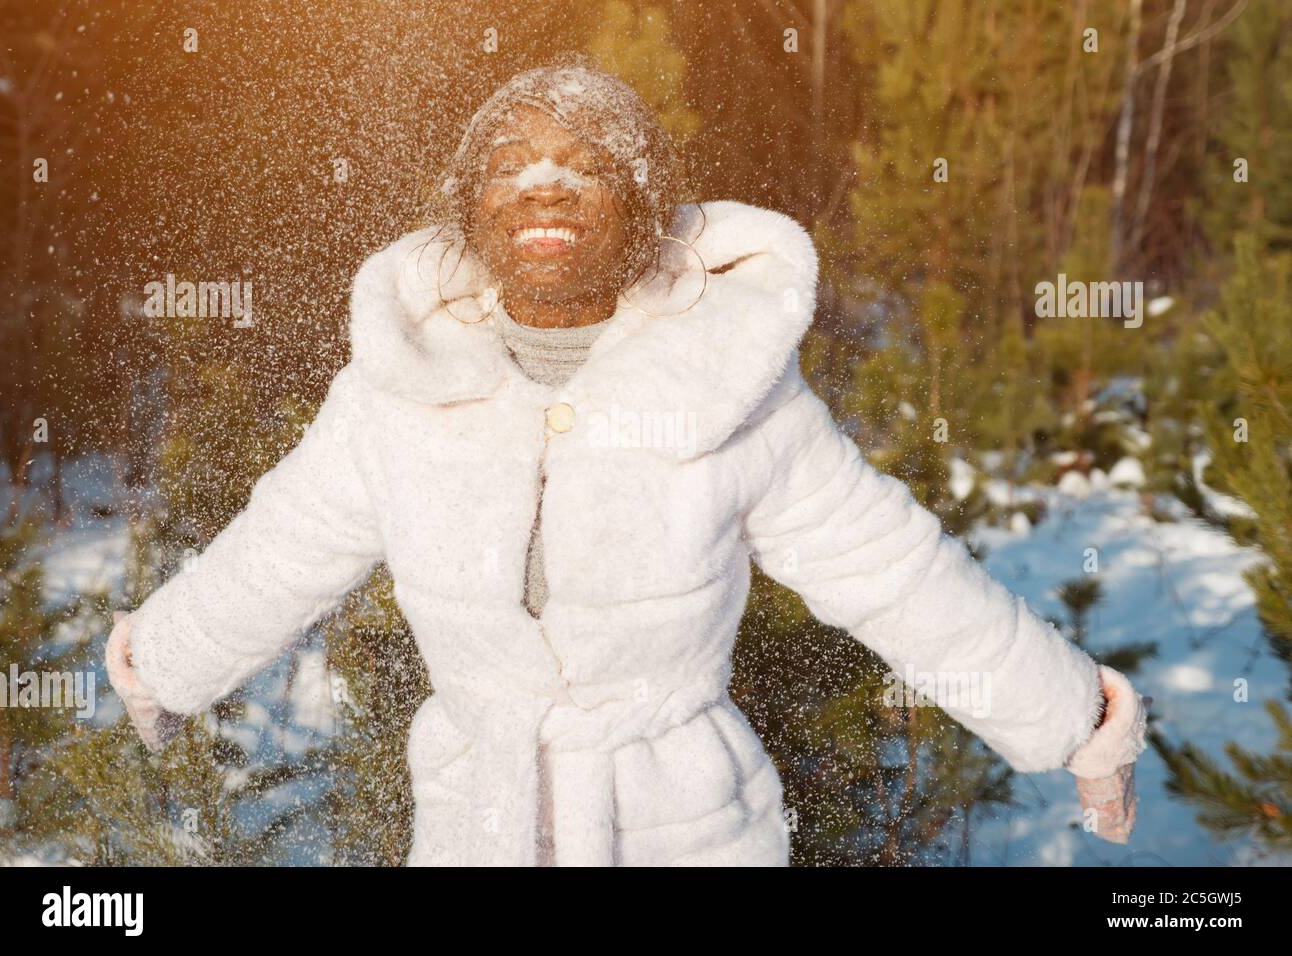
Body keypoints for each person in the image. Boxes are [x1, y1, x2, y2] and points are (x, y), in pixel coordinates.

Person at [106, 55, 1147, 866]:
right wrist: (165, 659)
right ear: (469, 208)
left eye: (588, 161)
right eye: (508, 164)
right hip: (478, 822)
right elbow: (284, 547)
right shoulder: (397, 391)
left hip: (688, 826)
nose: (542, 185)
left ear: (645, 201)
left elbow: (894, 574)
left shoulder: (731, 388)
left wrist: (1073, 719)